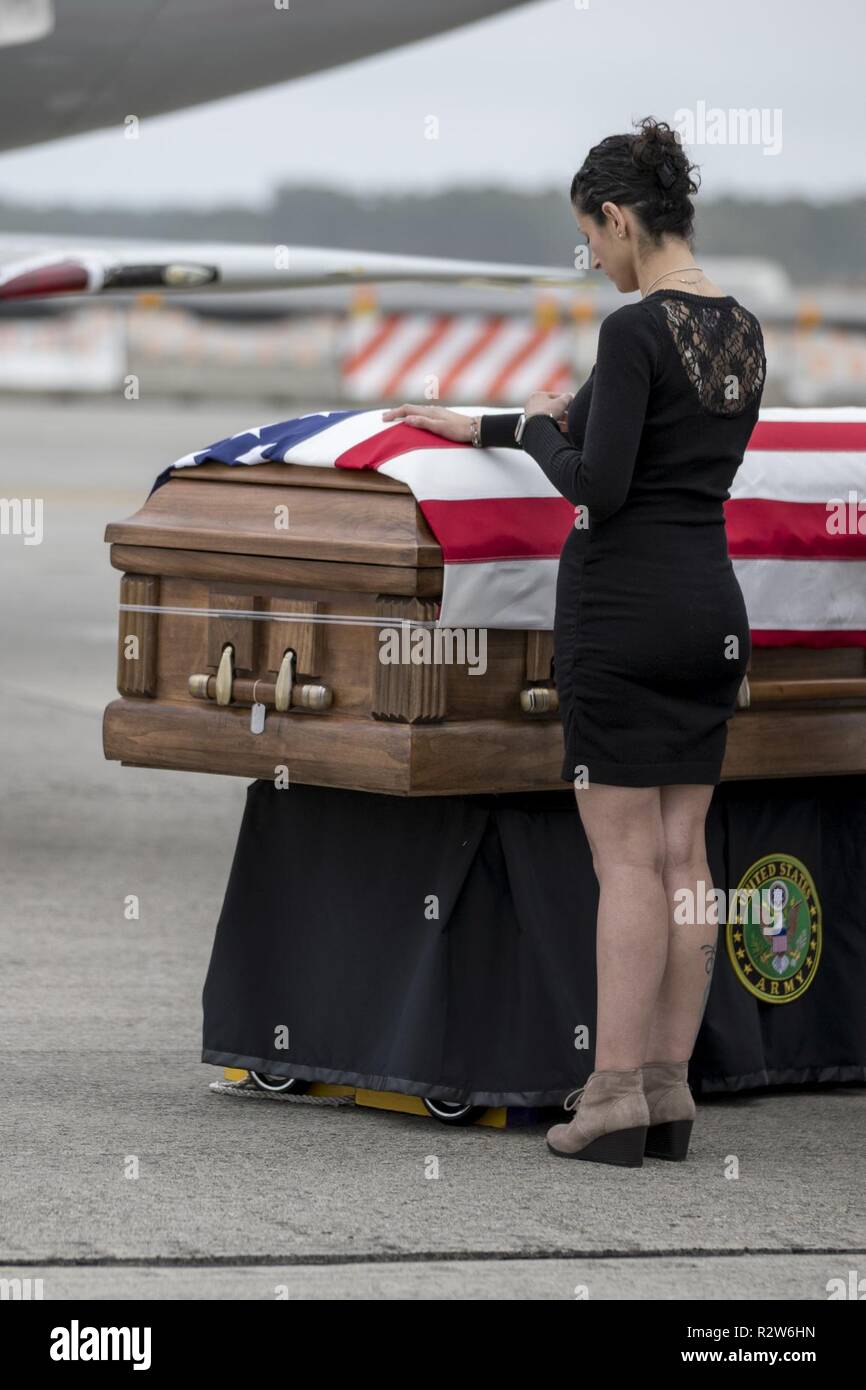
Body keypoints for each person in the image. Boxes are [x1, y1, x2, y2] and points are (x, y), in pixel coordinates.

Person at [382, 116, 766, 1168]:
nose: (591, 259)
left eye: (590, 239)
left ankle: (605, 1097)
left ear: (616, 218)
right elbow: (593, 425)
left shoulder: (632, 329)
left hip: (623, 616)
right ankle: (665, 1091)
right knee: (688, 856)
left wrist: (542, 433)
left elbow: (592, 475)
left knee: (624, 862)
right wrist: (490, 427)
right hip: (708, 616)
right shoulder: (737, 329)